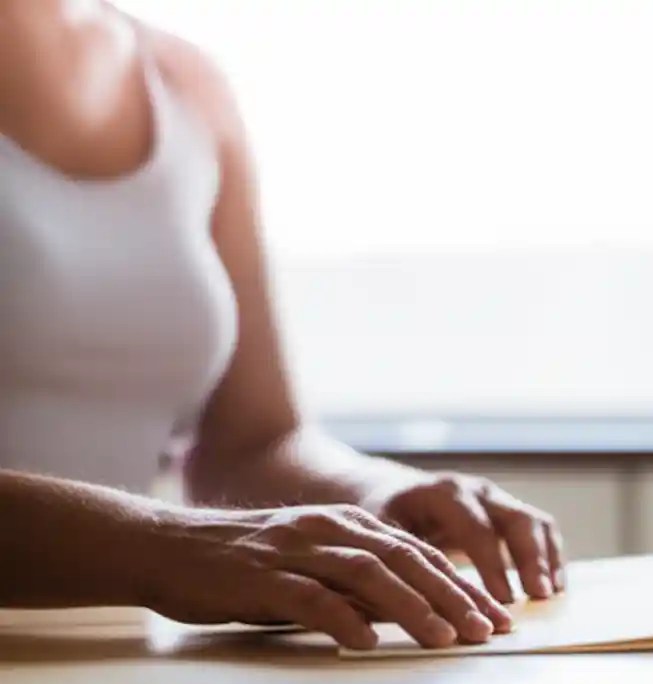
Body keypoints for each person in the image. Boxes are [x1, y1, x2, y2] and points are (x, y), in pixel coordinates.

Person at [0, 0, 565, 651]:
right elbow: (185, 541)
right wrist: (168, 546)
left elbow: (253, 445)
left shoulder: (183, 82)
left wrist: (380, 497)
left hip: (96, 663)